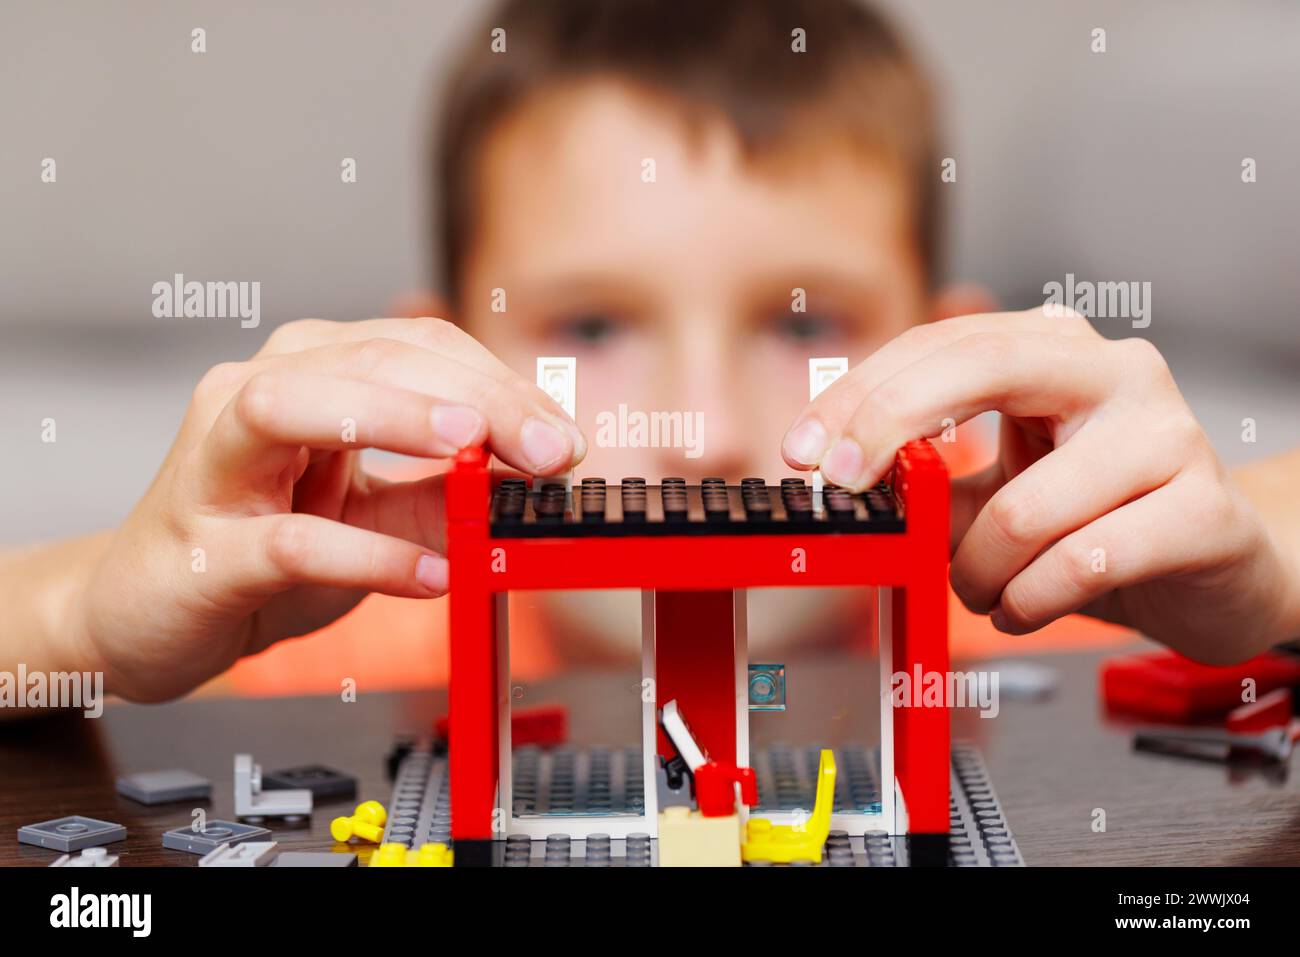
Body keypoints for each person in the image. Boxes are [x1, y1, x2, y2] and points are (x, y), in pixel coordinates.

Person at [2, 0, 1297, 711]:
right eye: (592, 327)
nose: (703, 431)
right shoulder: (335, 644)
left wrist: (1263, 573)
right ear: (432, 369)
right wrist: (78, 622)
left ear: (955, 371)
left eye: (804, 323)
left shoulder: (1026, 614)